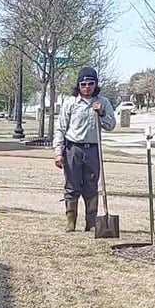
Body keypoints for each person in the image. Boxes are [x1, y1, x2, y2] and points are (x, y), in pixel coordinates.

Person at [53, 66, 116, 232]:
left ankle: (92, 222)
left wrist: (101, 113)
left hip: (93, 150)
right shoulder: (70, 103)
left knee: (91, 187)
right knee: (72, 186)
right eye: (83, 84)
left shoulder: (103, 102)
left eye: (90, 83)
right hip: (73, 148)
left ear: (96, 84)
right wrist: (58, 152)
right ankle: (71, 221)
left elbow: (111, 125)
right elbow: (60, 128)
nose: (87, 87)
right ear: (78, 86)